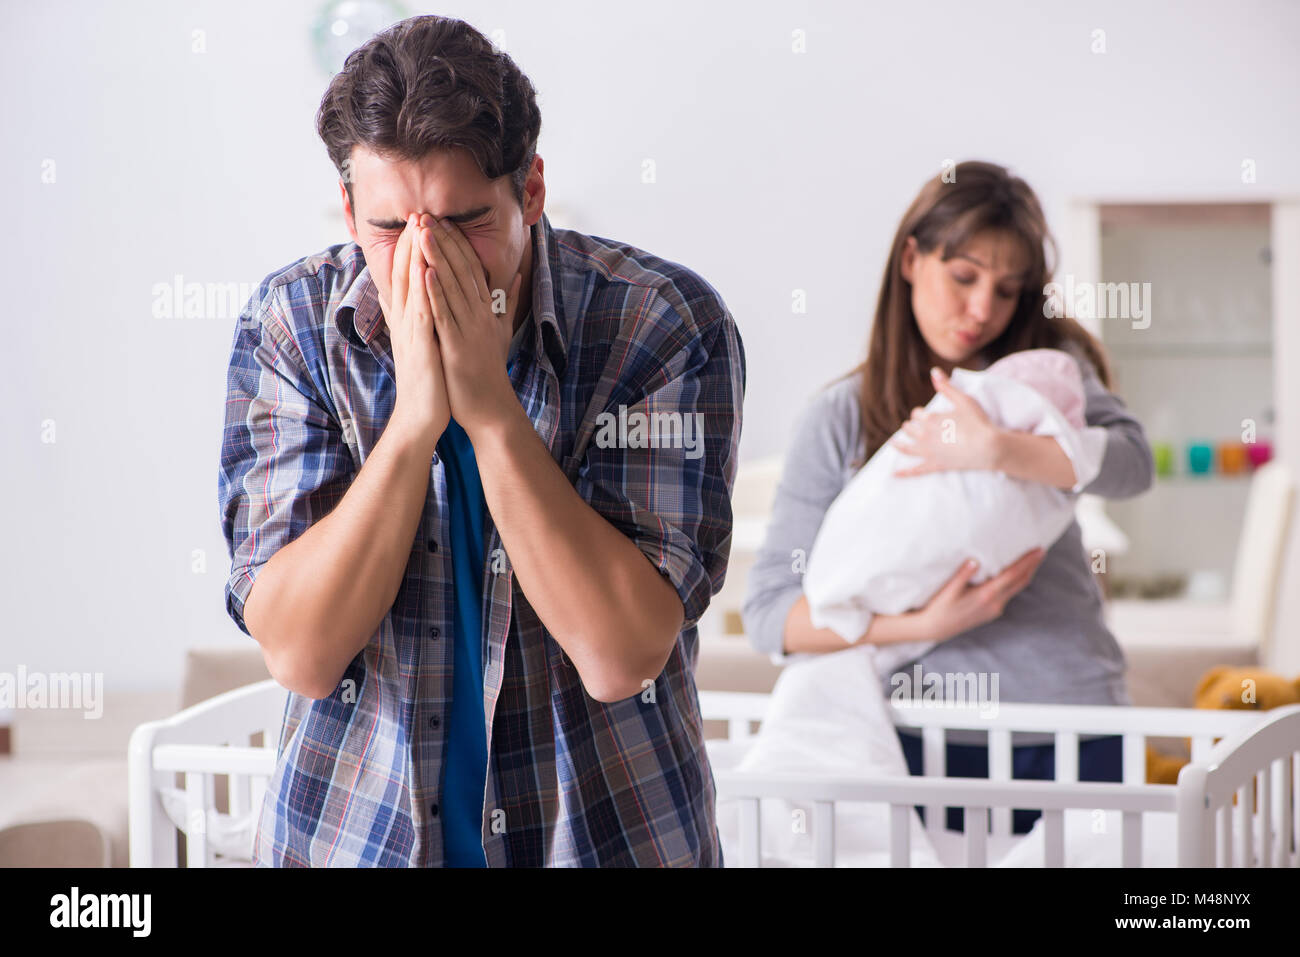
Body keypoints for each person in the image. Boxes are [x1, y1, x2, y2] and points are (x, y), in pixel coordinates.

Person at [218, 15, 744, 866]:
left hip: (606, 837)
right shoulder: (293, 328)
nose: (426, 262)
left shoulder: (659, 323)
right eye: (391, 230)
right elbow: (304, 653)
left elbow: (619, 654)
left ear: (531, 190)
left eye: (465, 222)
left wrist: (490, 411)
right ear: (348, 211)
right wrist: (416, 418)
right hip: (357, 839)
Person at [740, 160, 1154, 833]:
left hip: (1072, 716)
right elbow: (770, 615)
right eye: (964, 276)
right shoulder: (841, 417)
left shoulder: (1037, 383)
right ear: (911, 258)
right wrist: (927, 623)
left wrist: (998, 449)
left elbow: (1133, 465)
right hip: (920, 729)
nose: (983, 309)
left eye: (1008, 289)